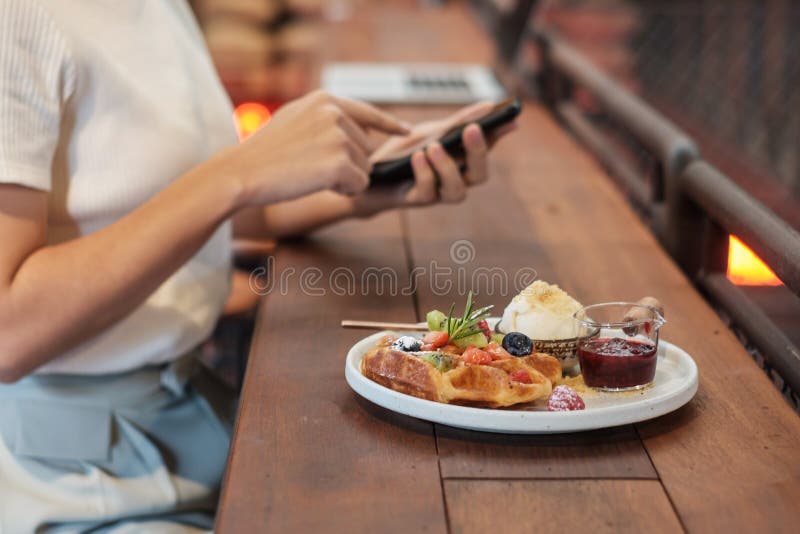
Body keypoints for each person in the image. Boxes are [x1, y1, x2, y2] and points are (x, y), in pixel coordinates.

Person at [0, 1, 515, 532]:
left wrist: (377, 182)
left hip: (186, 407)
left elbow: (200, 216)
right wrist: (239, 171)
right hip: (79, 480)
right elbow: (8, 331)